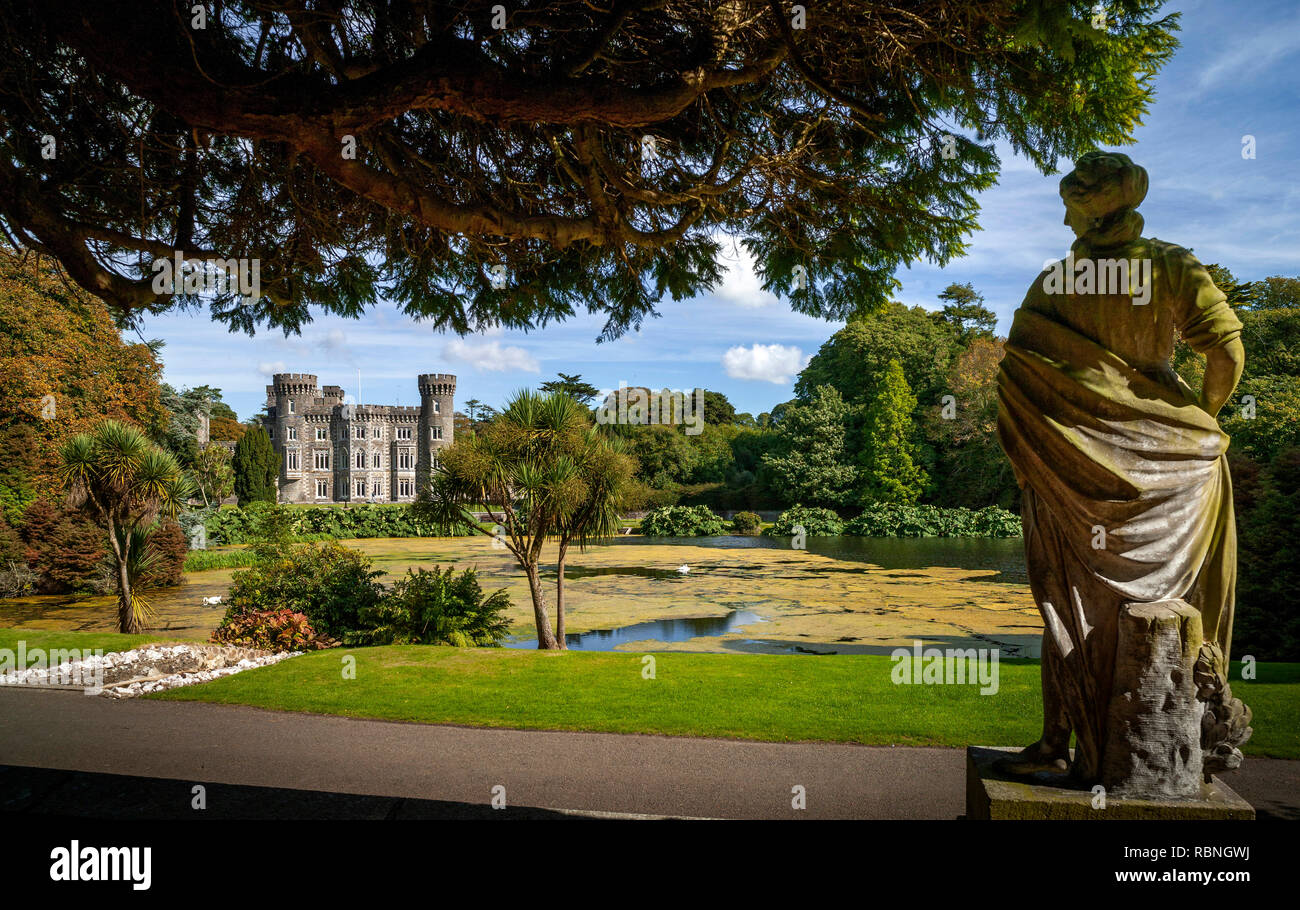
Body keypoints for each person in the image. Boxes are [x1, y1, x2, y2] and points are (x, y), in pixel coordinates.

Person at [995, 151, 1245, 781]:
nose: (1062, 219)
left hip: (1069, 473)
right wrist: (1191, 421)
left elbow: (1020, 380)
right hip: (1178, 475)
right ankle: (1175, 753)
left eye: (1070, 204)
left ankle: (1060, 740)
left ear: (1088, 206)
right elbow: (1227, 354)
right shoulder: (1171, 265)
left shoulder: (1054, 282)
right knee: (1175, 606)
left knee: (1068, 606)